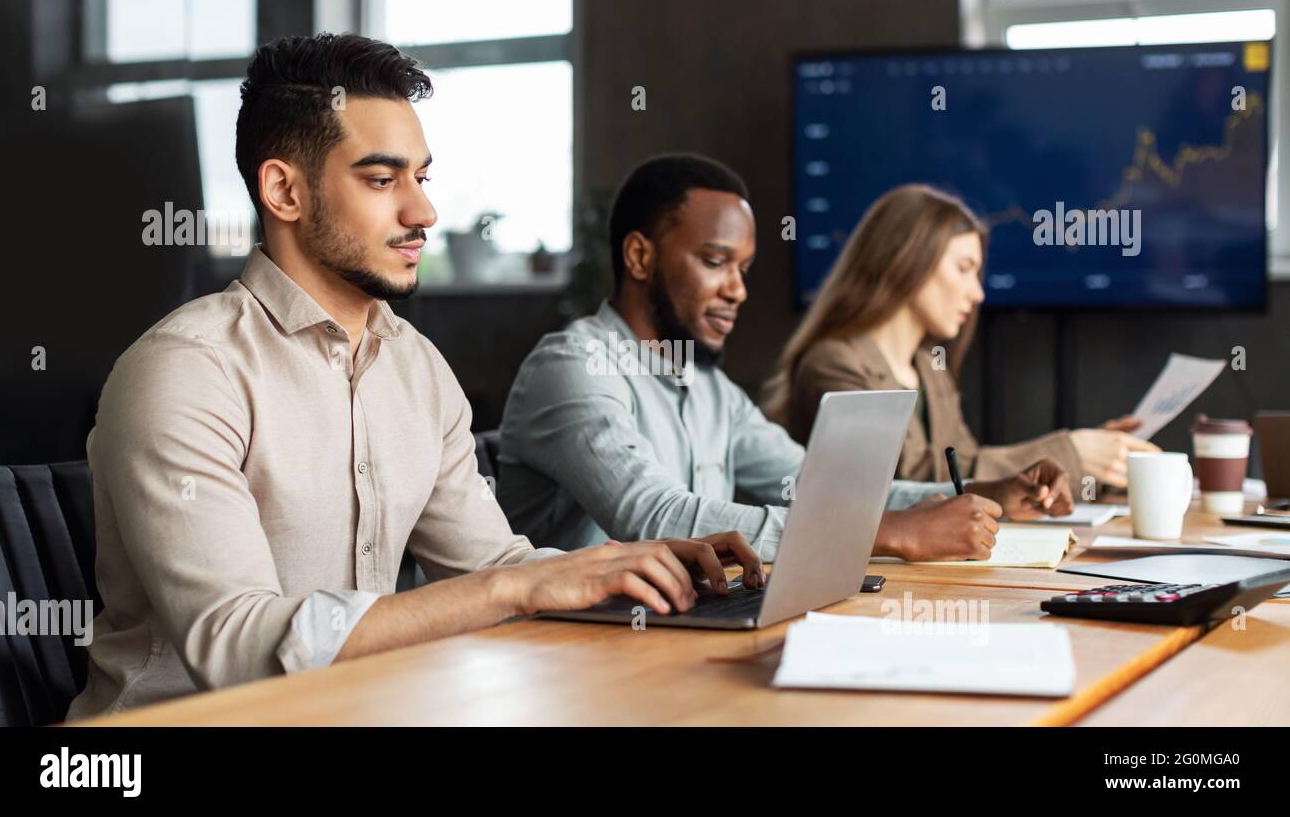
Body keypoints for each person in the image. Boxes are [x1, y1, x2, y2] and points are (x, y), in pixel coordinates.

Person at [67, 37, 761, 721]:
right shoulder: (184, 371)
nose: (423, 212)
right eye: (381, 179)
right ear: (283, 190)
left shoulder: (416, 367)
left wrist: (627, 569)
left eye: (421, 178)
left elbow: (490, 564)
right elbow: (237, 643)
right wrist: (517, 587)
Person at [497, 155, 1072, 567]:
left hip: (666, 630)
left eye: (743, 269)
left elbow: (816, 485)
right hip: (565, 653)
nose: (738, 290)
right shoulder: (572, 366)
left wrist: (987, 491)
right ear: (640, 256)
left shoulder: (707, 386)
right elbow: (652, 515)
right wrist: (887, 533)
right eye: (715, 261)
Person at [764, 183, 1158, 490]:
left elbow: (966, 463)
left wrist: (1090, 457)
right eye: (963, 268)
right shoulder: (833, 363)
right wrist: (1069, 453)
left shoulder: (927, 366)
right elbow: (912, 481)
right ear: (908, 258)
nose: (977, 293)